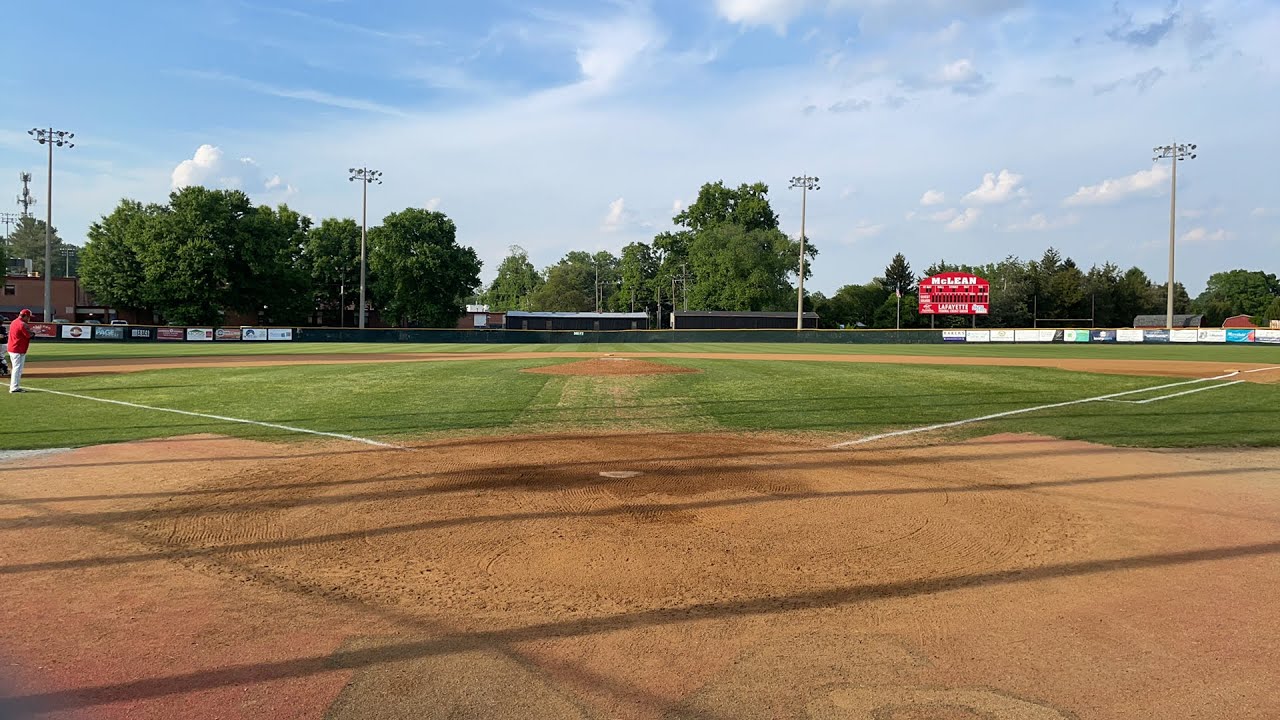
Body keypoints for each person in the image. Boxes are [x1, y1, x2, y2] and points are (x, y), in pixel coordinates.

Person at [7, 309, 33, 393]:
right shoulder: (22, 324)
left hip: (13, 348)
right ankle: (14, 387)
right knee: (17, 368)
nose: (29, 319)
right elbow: (29, 335)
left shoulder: (14, 322)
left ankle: (15, 386)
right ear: (25, 316)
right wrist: (33, 333)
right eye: (28, 317)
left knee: (17, 368)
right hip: (18, 349)